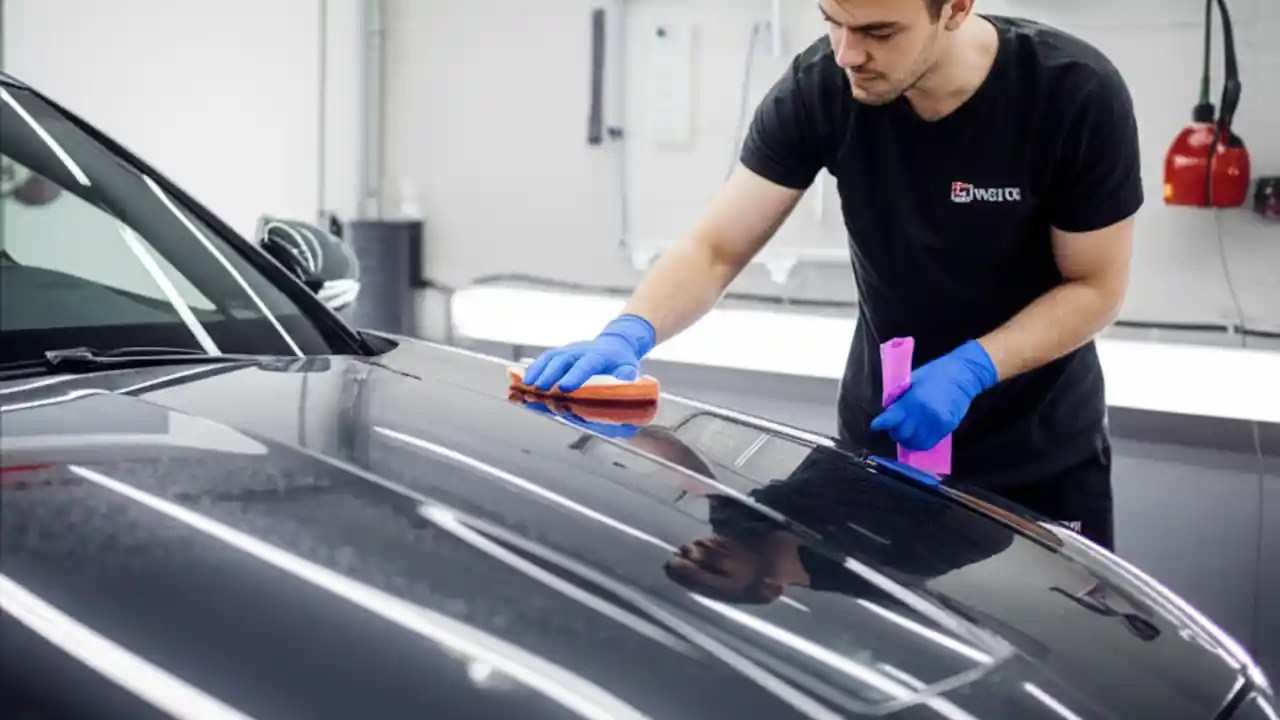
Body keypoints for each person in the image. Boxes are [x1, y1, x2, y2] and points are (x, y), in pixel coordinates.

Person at [522, 0, 1142, 550]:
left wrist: (974, 367)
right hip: (884, 443)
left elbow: (1095, 286)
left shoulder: (1071, 94)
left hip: (1038, 456)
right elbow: (715, 247)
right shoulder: (824, 85)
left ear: (955, 7)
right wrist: (631, 330)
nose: (849, 53)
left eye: (878, 30)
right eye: (833, 21)